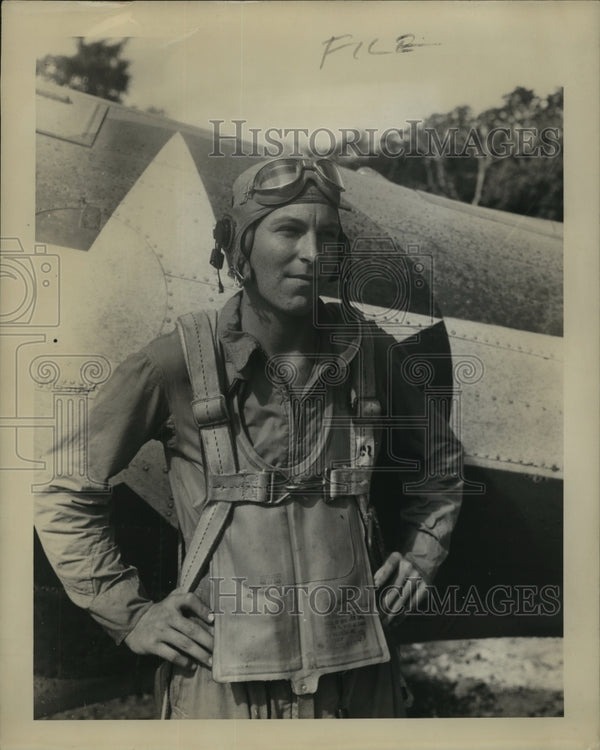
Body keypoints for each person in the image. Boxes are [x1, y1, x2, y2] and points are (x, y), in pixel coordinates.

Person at [35, 156, 464, 719]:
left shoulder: (373, 353)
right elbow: (63, 487)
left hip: (358, 680)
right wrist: (131, 614)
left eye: (328, 235)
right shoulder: (179, 363)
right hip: (225, 687)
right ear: (239, 246)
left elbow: (441, 468)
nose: (313, 254)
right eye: (289, 229)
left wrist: (420, 555)